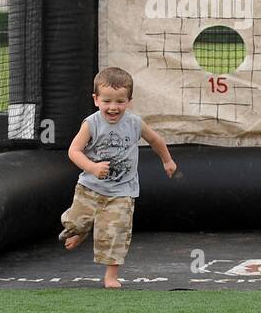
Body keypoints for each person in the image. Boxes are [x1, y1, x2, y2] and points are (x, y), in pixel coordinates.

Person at [61, 66, 176, 288]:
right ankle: (81, 229)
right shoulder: (91, 124)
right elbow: (73, 151)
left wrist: (167, 160)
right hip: (90, 187)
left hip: (122, 191)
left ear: (129, 101)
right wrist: (92, 167)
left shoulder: (134, 123)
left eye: (120, 102)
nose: (113, 107)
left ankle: (111, 276)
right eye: (107, 101)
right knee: (75, 222)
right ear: (96, 100)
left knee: (115, 232)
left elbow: (155, 140)